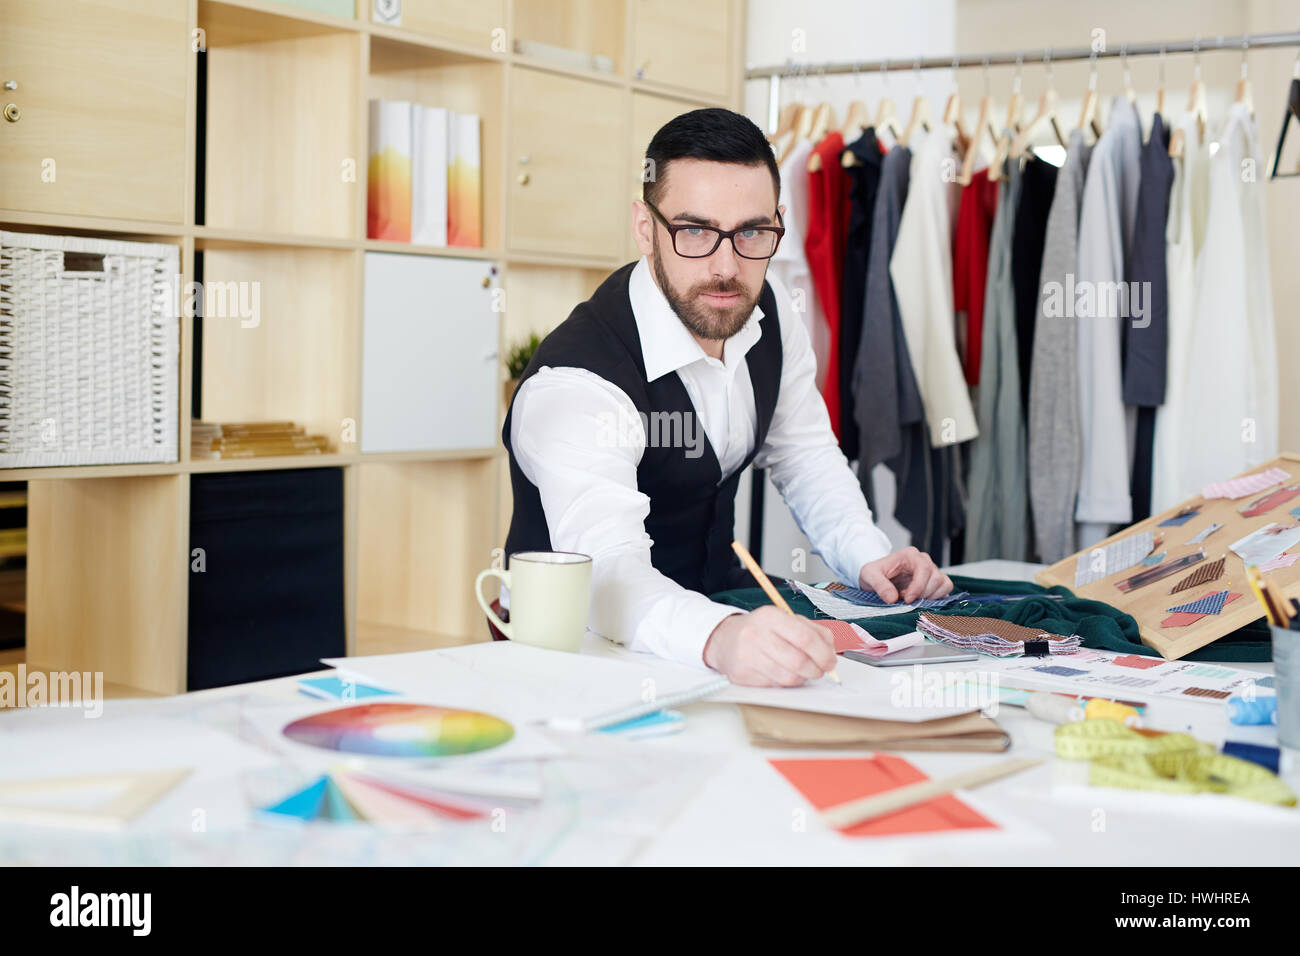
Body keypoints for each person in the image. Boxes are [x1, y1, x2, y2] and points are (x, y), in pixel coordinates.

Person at [502, 108, 952, 687]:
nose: (726, 266)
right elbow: (607, 572)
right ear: (645, 227)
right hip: (578, 663)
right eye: (693, 230)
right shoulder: (577, 382)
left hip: (715, 639)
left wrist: (867, 556)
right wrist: (720, 636)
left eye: (751, 233)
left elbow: (804, 453)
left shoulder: (770, 317)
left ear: (777, 224)